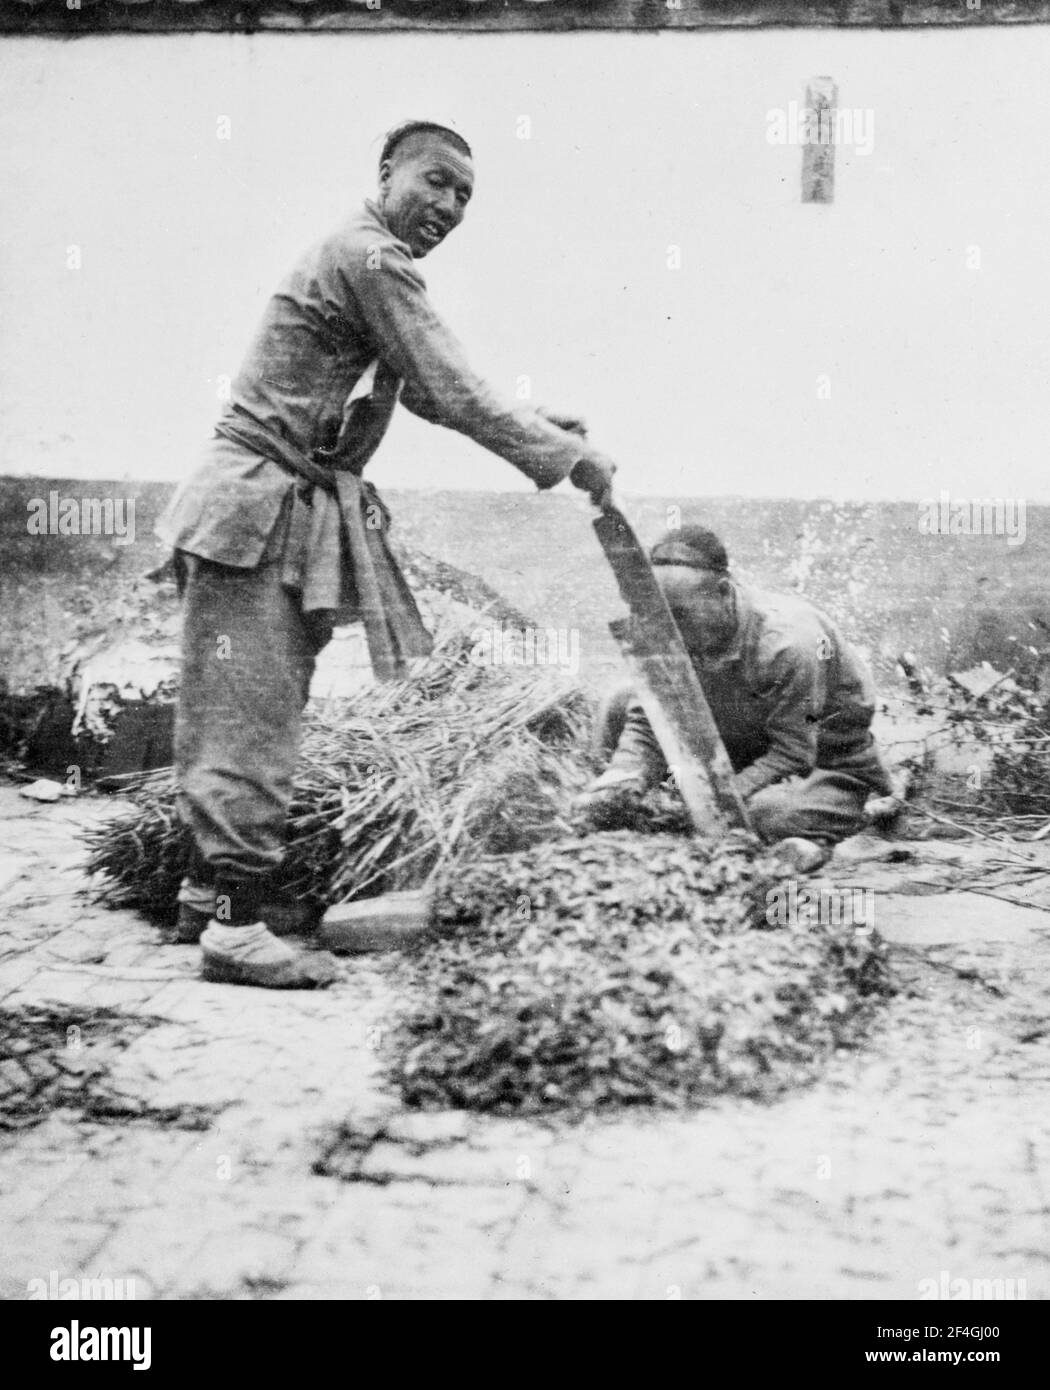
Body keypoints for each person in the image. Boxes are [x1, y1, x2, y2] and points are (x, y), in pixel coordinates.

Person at [157, 119, 616, 988]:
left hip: (273, 510)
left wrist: (539, 425)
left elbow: (434, 394)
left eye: (464, 198)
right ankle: (234, 929)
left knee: (252, 701)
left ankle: (206, 898)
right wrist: (568, 459)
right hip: (253, 511)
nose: (448, 206)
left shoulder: (368, 264)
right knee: (248, 712)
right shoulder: (370, 260)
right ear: (385, 174)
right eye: (436, 182)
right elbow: (452, 383)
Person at [581, 525, 893, 858]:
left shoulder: (788, 644)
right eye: (660, 618)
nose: (672, 633)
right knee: (618, 701)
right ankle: (608, 803)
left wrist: (717, 800)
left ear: (723, 592)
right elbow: (650, 721)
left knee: (766, 817)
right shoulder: (668, 629)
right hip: (734, 749)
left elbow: (794, 752)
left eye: (682, 616)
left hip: (821, 762)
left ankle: (860, 812)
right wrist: (622, 778)